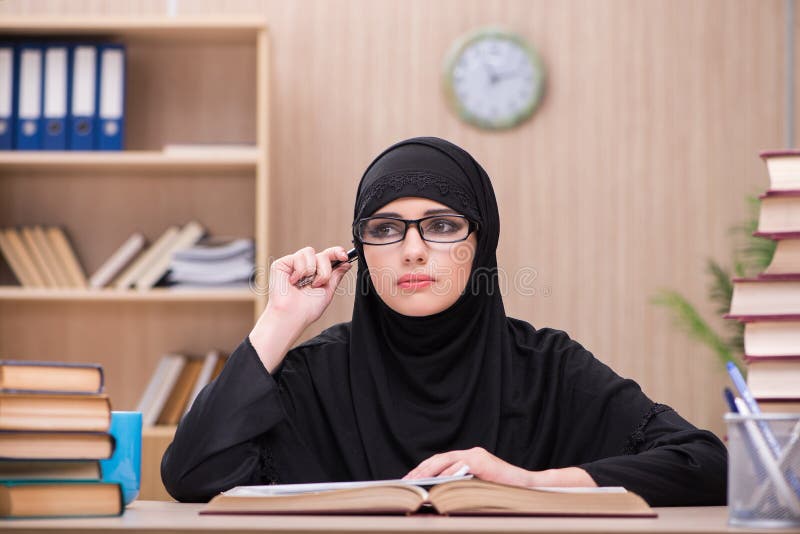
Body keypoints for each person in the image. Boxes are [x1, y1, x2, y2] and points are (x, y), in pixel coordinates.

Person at [161, 137, 727, 506]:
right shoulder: (317, 372)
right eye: (384, 229)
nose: (411, 250)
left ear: (482, 244)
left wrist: (528, 484)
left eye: (441, 225)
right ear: (361, 250)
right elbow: (191, 474)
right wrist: (280, 323)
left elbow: (706, 464)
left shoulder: (546, 367)